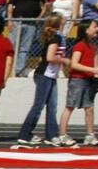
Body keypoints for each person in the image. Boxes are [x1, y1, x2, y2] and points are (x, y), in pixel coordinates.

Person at [16, 12, 66, 146]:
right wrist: (65, 60)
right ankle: (25, 134)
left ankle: (52, 135)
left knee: (52, 106)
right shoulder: (55, 38)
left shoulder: (55, 36)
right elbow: (50, 57)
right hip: (45, 74)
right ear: (59, 23)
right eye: (63, 19)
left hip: (50, 75)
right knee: (38, 105)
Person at [56, 18, 98, 146]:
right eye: (94, 26)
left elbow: (94, 64)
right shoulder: (79, 46)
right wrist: (93, 69)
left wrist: (97, 73)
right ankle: (62, 135)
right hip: (77, 80)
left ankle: (90, 134)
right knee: (70, 107)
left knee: (89, 108)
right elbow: (74, 64)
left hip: (88, 80)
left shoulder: (93, 47)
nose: (97, 29)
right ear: (86, 29)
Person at [9, 0, 49, 75]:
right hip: (17, 21)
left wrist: (40, 17)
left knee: (24, 48)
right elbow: (11, 5)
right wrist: (10, 20)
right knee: (12, 46)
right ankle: (8, 68)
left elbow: (46, 4)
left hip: (31, 22)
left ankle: (18, 70)